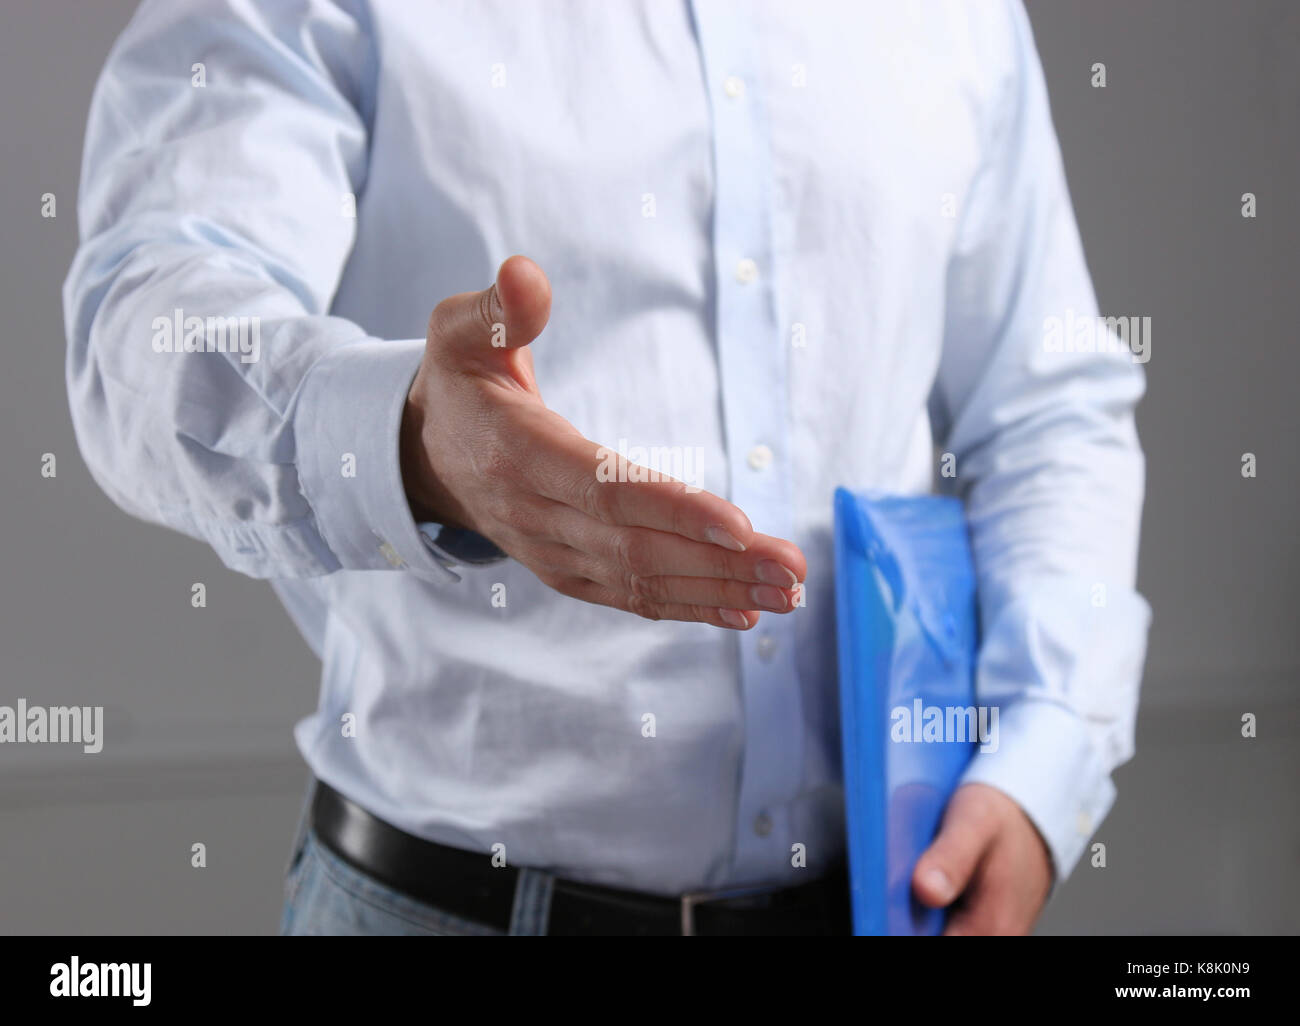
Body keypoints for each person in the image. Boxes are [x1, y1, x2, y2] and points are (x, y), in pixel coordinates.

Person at [64, 0, 1150, 935]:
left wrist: (1040, 763)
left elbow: (1047, 405)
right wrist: (404, 439)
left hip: (877, 904)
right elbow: (147, 316)